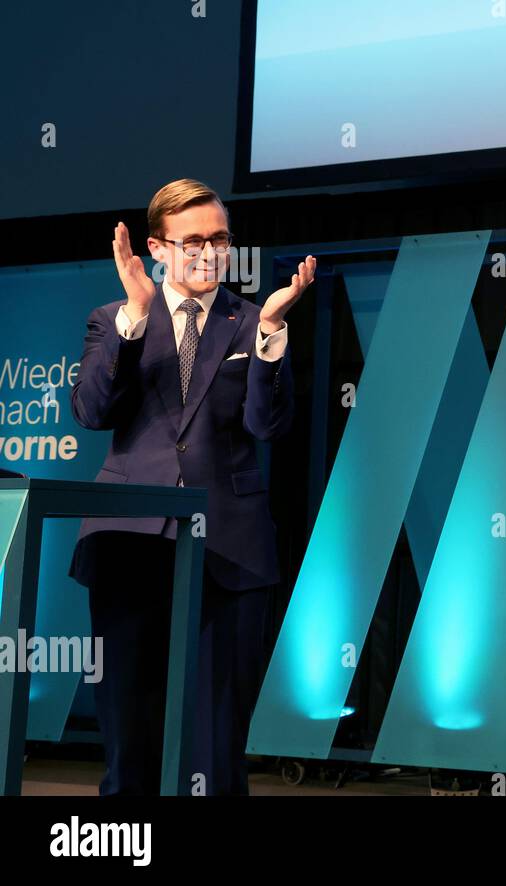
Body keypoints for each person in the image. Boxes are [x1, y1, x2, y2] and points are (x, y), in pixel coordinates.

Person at [70, 179, 315, 795]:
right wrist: (134, 317)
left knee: (216, 745)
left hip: (226, 550)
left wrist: (270, 339)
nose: (209, 253)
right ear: (158, 247)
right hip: (129, 545)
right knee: (130, 739)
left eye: (220, 240)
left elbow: (269, 424)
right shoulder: (114, 319)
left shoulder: (255, 320)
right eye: (193, 242)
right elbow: (92, 412)